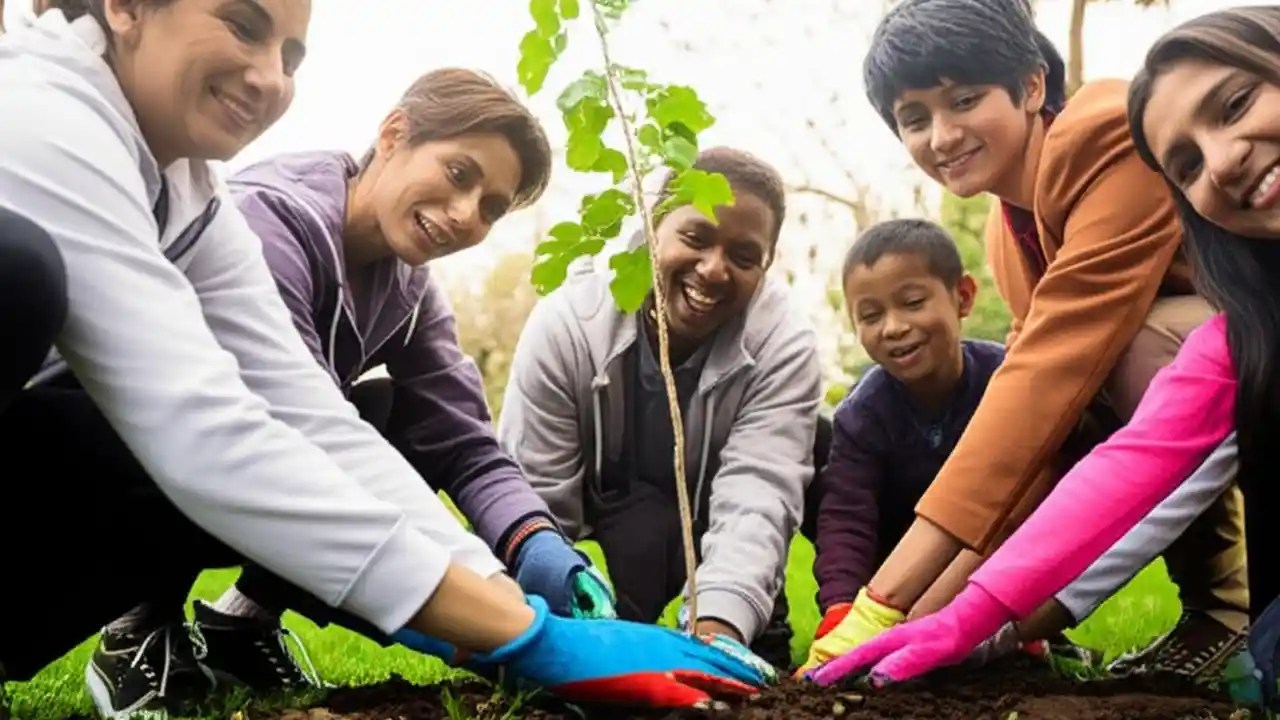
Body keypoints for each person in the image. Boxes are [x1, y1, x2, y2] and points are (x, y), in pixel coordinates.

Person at [0, 3, 776, 718]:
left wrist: (513, 581)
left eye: (291, 55)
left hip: (188, 454)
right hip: (152, 448)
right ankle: (143, 626)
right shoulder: (47, 120)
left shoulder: (193, 191)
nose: (270, 77)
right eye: (243, 24)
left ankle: (238, 626)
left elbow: (319, 417)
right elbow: (211, 431)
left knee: (375, 415)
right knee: (18, 274)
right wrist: (523, 638)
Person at [88, 66, 619, 709]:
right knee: (285, 432)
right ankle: (138, 625)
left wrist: (537, 543)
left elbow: (465, 446)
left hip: (258, 454)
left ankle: (241, 624)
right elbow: (291, 425)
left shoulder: (410, 290)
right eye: (459, 174)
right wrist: (477, 611)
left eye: (489, 209)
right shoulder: (270, 220)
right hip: (114, 455)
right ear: (394, 134)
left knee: (397, 415)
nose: (464, 215)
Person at [806, 6, 1280, 712]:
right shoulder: (1007, 235)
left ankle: (1221, 605)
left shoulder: (1107, 133)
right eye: (915, 118)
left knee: (1136, 351)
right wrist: (939, 617)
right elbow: (1044, 437)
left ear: (1032, 86)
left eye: (965, 99)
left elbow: (1051, 373)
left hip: (1224, 370)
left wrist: (885, 596)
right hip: (1188, 404)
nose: (943, 135)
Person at [498, 146, 825, 668]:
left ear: (765, 266)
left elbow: (758, 493)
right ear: (652, 229)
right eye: (695, 238)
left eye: (744, 257)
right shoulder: (569, 325)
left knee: (751, 662)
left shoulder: (782, 344)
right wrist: (562, 629)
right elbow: (537, 495)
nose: (713, 270)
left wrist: (717, 632)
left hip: (710, 516)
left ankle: (747, 621)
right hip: (610, 510)